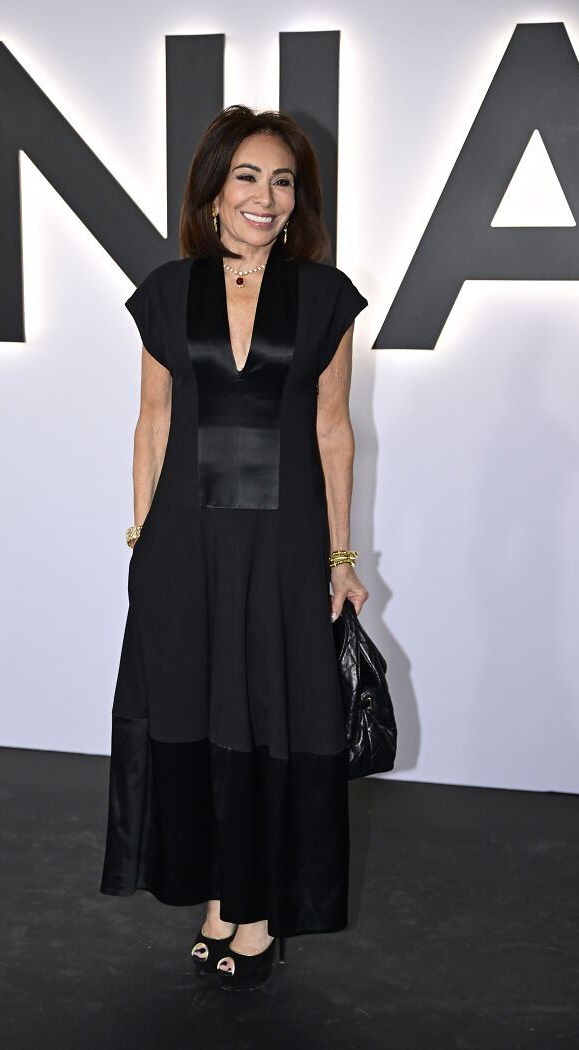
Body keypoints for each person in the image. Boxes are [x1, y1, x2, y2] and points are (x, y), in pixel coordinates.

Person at [100, 104, 369, 991]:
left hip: (286, 544)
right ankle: (222, 898)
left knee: (267, 721)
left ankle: (257, 910)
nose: (266, 196)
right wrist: (142, 536)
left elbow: (334, 433)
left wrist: (341, 557)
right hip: (187, 541)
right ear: (214, 190)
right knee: (199, 716)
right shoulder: (168, 290)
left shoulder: (327, 297)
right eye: (248, 176)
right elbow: (152, 420)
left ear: (299, 201)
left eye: (282, 180)